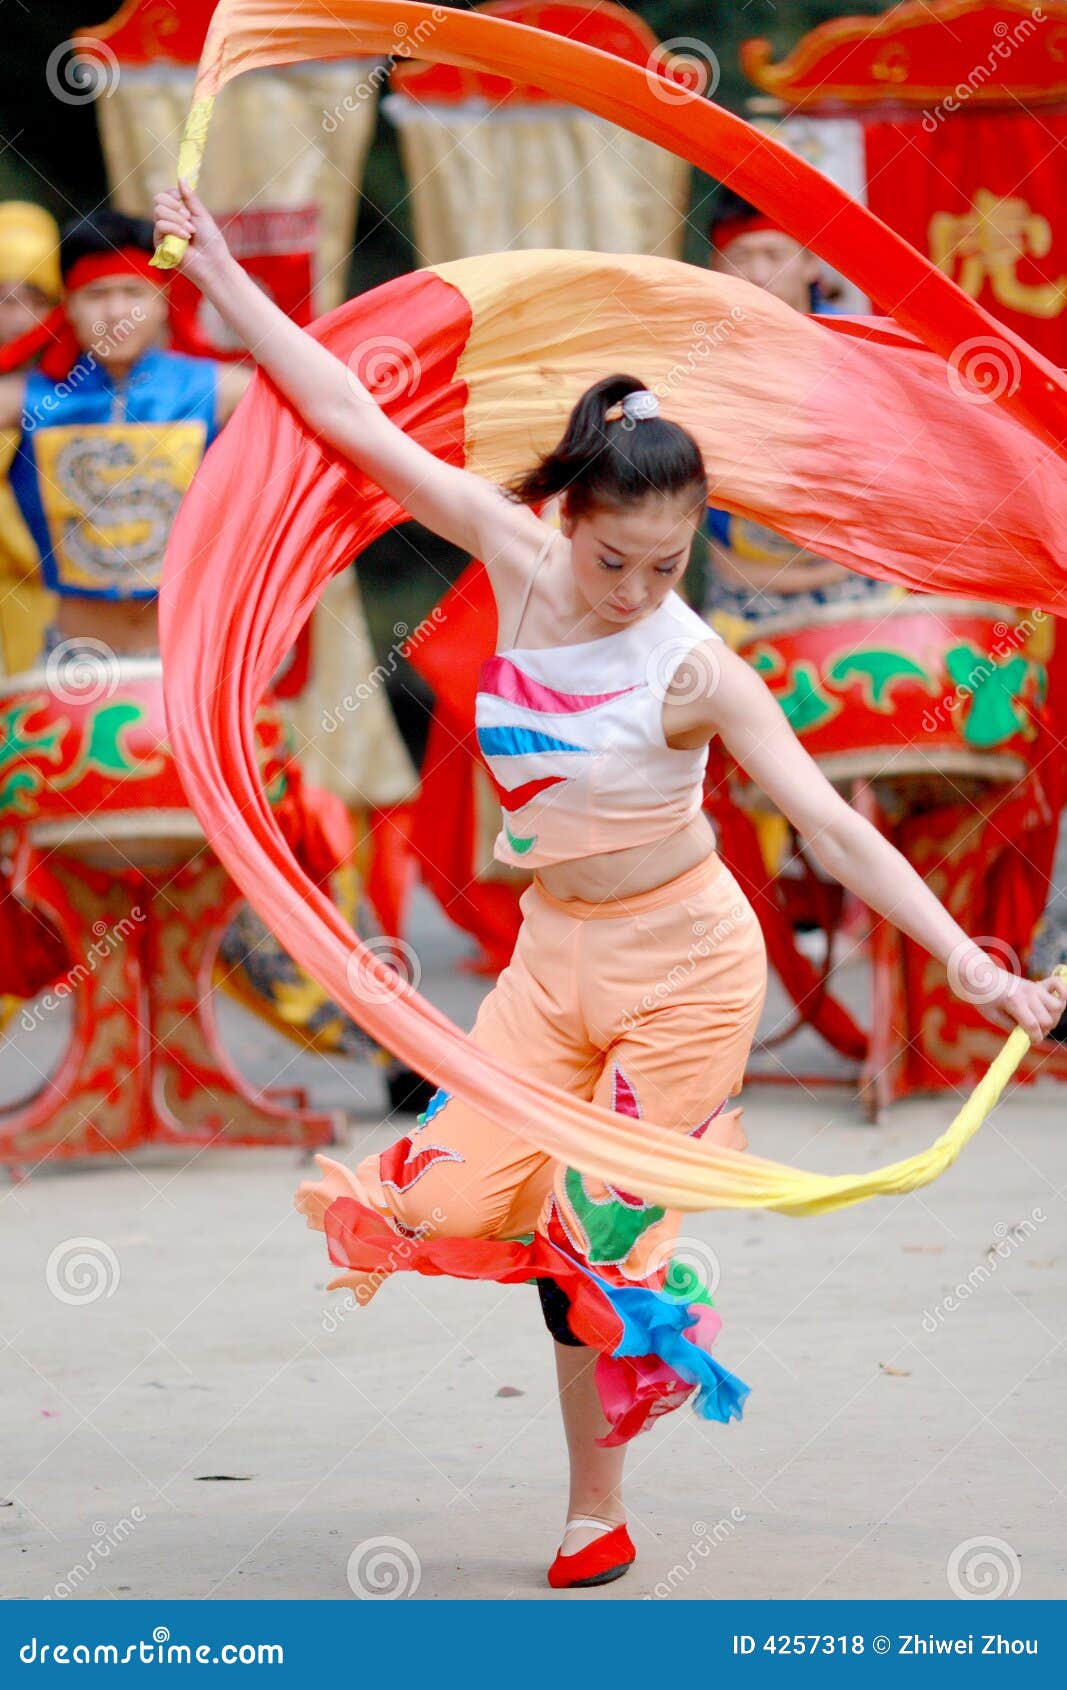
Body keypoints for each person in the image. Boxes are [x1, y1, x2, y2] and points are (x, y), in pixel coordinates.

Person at [153, 179, 1067, 1591]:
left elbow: (828, 823)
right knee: (444, 1210)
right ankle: (633, 1318)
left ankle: (596, 1503)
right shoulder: (510, 554)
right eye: (614, 555)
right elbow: (345, 412)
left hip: (687, 970)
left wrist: (970, 957)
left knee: (598, 1237)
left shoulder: (695, 664)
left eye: (669, 560)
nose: (639, 586)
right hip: (547, 966)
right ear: (564, 513)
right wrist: (215, 265)